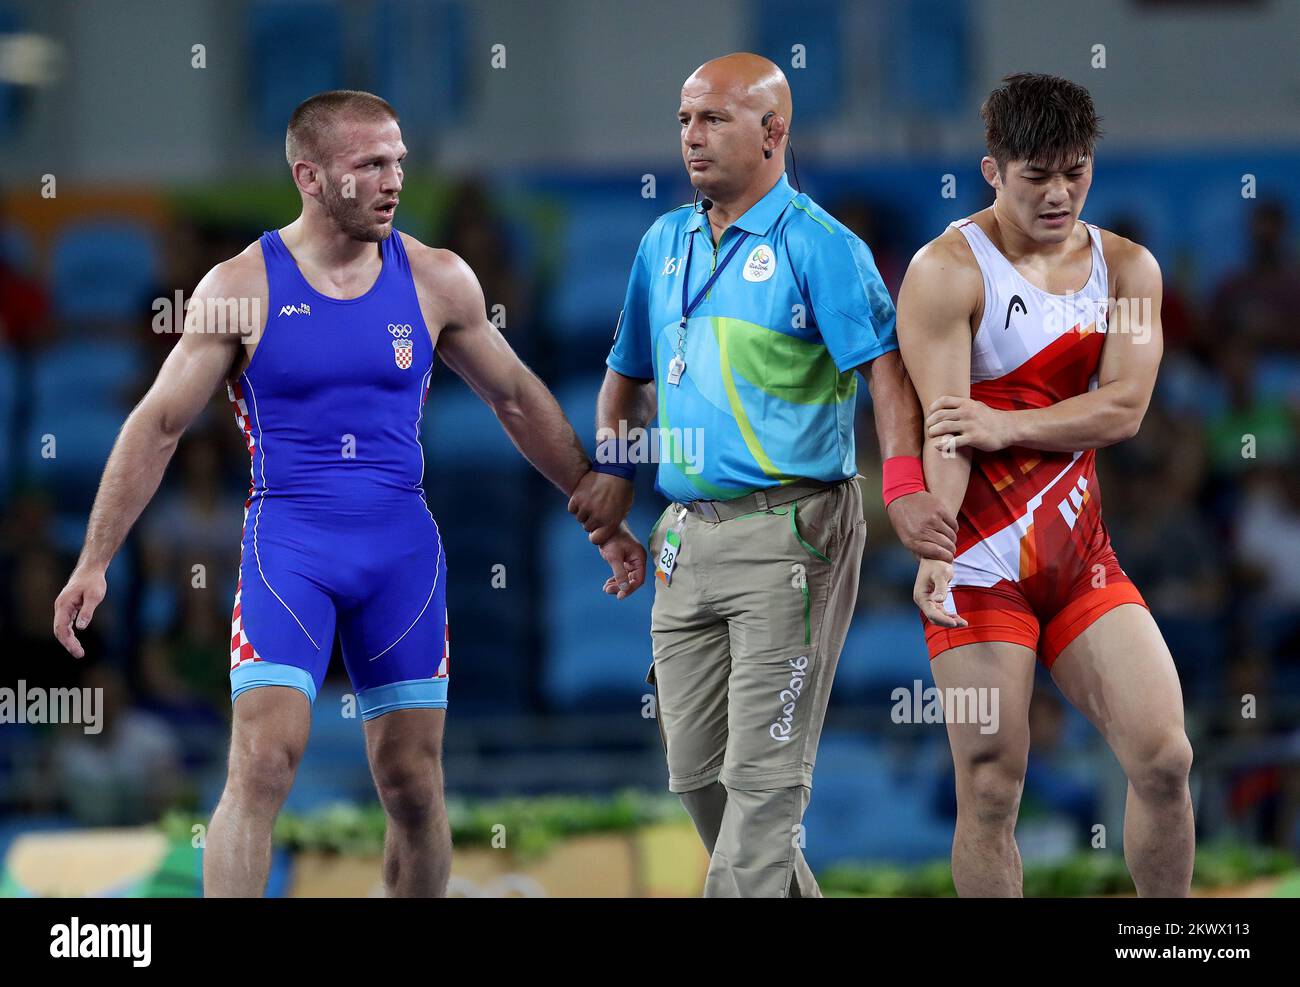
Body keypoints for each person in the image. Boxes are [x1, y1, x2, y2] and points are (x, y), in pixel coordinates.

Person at [52, 90, 645, 897]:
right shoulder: (239, 285)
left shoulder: (438, 278)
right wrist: (95, 559)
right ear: (310, 176)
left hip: (400, 548)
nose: (394, 179)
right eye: (371, 164)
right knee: (260, 765)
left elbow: (513, 395)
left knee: (412, 783)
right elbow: (157, 425)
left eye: (398, 160)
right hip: (289, 546)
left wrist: (594, 504)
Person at [570, 53, 956, 897]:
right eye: (683, 119)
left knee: (764, 783)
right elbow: (627, 374)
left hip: (792, 529)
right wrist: (616, 474)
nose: (691, 137)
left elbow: (887, 376)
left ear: (774, 132)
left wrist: (902, 484)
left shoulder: (823, 247)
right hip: (685, 538)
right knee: (696, 775)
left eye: (713, 119)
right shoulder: (661, 242)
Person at [897, 73, 1194, 896]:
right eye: (1037, 176)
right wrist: (935, 547)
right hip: (980, 565)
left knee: (1165, 756)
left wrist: (1011, 424)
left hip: (1080, 561)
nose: (1059, 193)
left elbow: (1127, 408)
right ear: (992, 171)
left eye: (1076, 171)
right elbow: (947, 427)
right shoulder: (947, 272)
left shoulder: (1130, 272)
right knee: (991, 786)